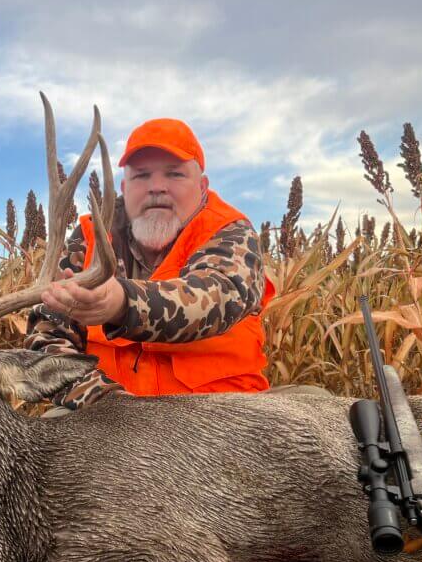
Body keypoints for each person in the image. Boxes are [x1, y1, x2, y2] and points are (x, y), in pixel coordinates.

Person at [24, 117, 275, 410]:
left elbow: (218, 298)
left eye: (175, 174)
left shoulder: (230, 232)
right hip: (111, 420)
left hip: (219, 418)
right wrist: (103, 403)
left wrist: (122, 303)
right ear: (125, 186)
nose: (157, 187)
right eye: (141, 176)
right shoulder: (91, 236)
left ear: (203, 185)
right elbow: (47, 336)